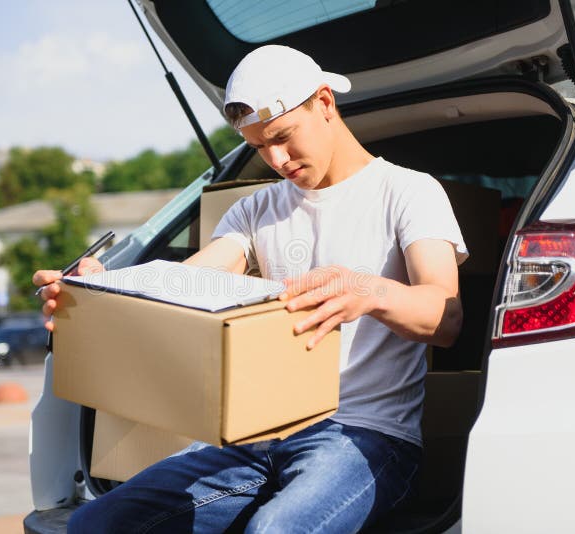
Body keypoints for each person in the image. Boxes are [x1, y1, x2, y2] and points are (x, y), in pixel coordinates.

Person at [33, 44, 467, 533]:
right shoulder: (255, 211)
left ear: (325, 102)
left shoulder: (409, 192)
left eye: (283, 136)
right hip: (254, 435)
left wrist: (367, 289)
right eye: (260, 147)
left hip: (366, 436)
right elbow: (182, 287)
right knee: (94, 524)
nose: (277, 159)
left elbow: (445, 317)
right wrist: (101, 290)